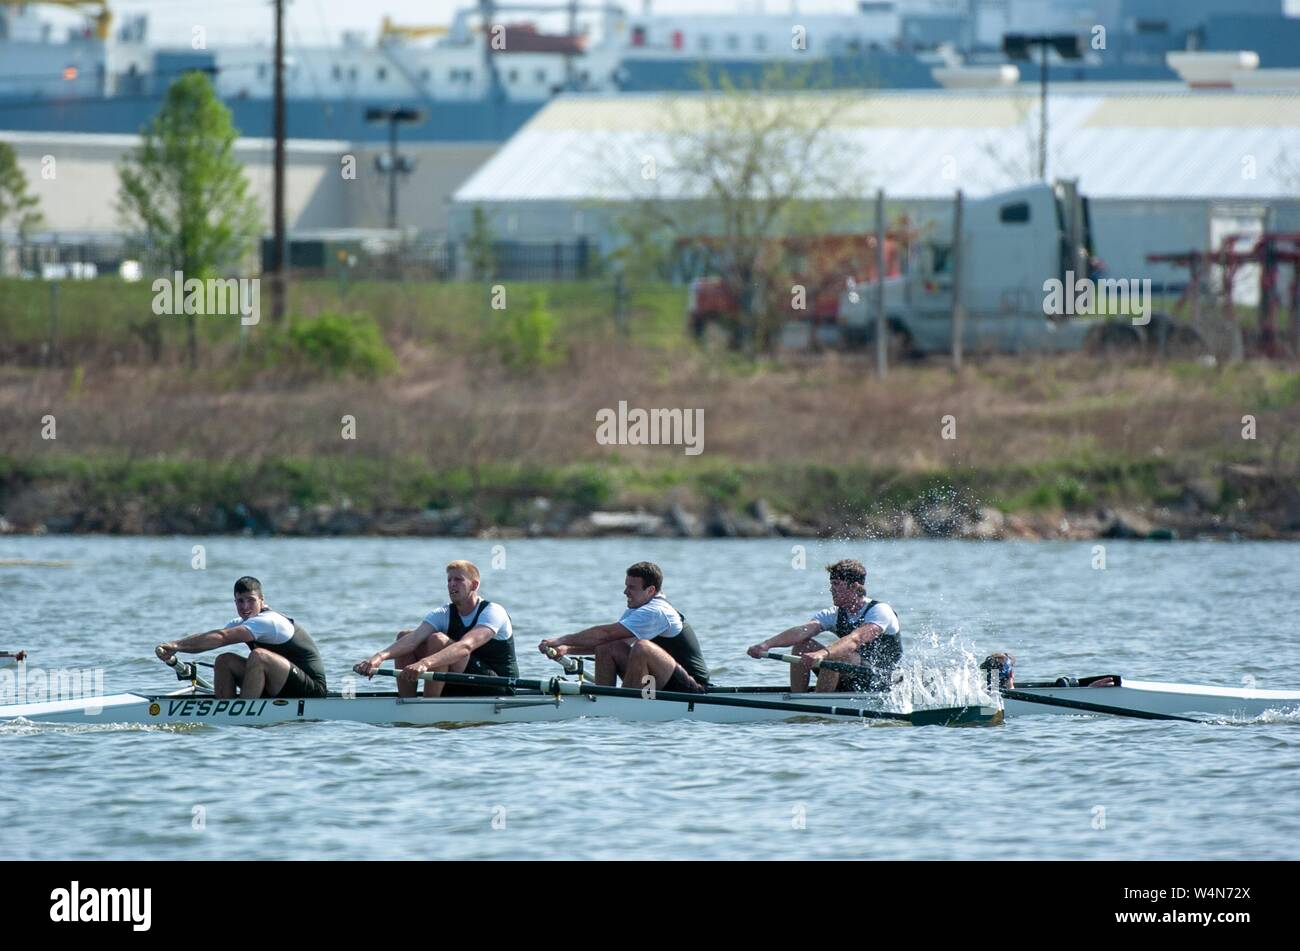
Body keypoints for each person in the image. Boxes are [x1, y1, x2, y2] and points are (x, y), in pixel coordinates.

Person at [538, 562, 710, 694]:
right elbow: (607, 639)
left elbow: (606, 633)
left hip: (691, 687)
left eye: (632, 587)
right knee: (607, 646)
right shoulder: (637, 610)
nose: (625, 592)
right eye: (626, 586)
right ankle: (604, 698)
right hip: (660, 681)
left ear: (650, 590)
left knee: (642, 647)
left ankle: (625, 703)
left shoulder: (656, 611)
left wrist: (561, 639)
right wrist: (567, 649)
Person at [353, 560, 517, 698]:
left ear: (474, 585)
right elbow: (413, 640)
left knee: (437, 640)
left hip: (497, 685)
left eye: (458, 579)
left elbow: (465, 647)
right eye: (449, 580)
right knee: (404, 636)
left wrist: (424, 663)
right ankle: (406, 702)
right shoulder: (444, 613)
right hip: (459, 681)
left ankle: (428, 706)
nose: (451, 584)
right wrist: (379, 657)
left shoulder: (493, 612)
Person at [156, 576, 328, 699]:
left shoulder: (269, 621)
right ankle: (224, 709)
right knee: (224, 660)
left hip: (310, 689)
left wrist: (176, 645)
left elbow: (222, 637)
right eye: (240, 601)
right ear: (235, 602)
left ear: (262, 600)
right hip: (279, 683)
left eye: (250, 600)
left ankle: (244, 711)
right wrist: (174, 649)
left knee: (259, 656)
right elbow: (211, 639)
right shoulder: (242, 622)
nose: (245, 607)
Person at [746, 558, 901, 693]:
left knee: (836, 655)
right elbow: (802, 631)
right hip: (848, 672)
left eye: (836, 584)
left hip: (879, 680)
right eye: (831, 584)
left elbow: (855, 639)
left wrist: (823, 654)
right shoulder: (833, 614)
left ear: (854, 587)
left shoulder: (880, 611)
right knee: (802, 646)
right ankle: (797, 699)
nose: (831, 589)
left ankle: (817, 703)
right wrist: (766, 645)